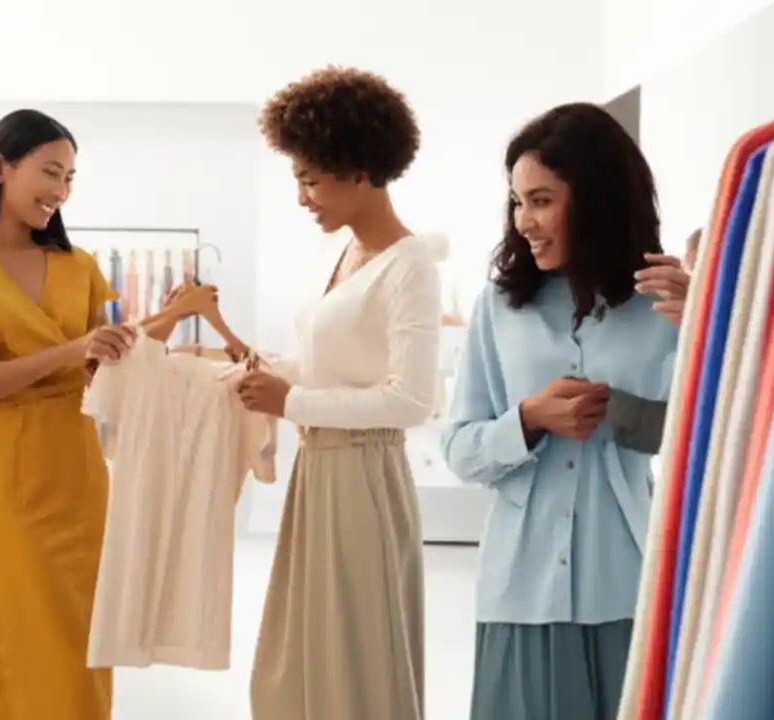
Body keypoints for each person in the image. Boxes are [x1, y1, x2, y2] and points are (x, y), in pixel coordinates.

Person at [0, 109, 214, 719]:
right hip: (6, 475)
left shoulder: (79, 265)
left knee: (84, 630)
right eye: (50, 172)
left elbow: (97, 370)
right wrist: (72, 348)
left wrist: (164, 337)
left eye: (71, 178)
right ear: (1, 168)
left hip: (78, 472)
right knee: (18, 625)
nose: (60, 191)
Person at [441, 102, 689, 720]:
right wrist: (528, 419)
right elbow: (460, 447)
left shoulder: (665, 302)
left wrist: (713, 324)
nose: (524, 220)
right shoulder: (500, 307)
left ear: (598, 198)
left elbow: (705, 440)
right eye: (518, 201)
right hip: (520, 587)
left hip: (627, 584)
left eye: (542, 200)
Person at [234, 66, 440, 720]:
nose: (301, 196)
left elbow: (409, 400)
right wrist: (250, 370)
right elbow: (331, 364)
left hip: (362, 475)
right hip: (322, 473)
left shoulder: (409, 265)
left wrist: (287, 401)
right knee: (304, 662)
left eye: (309, 178)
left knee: (353, 661)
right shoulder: (350, 253)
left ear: (359, 171)